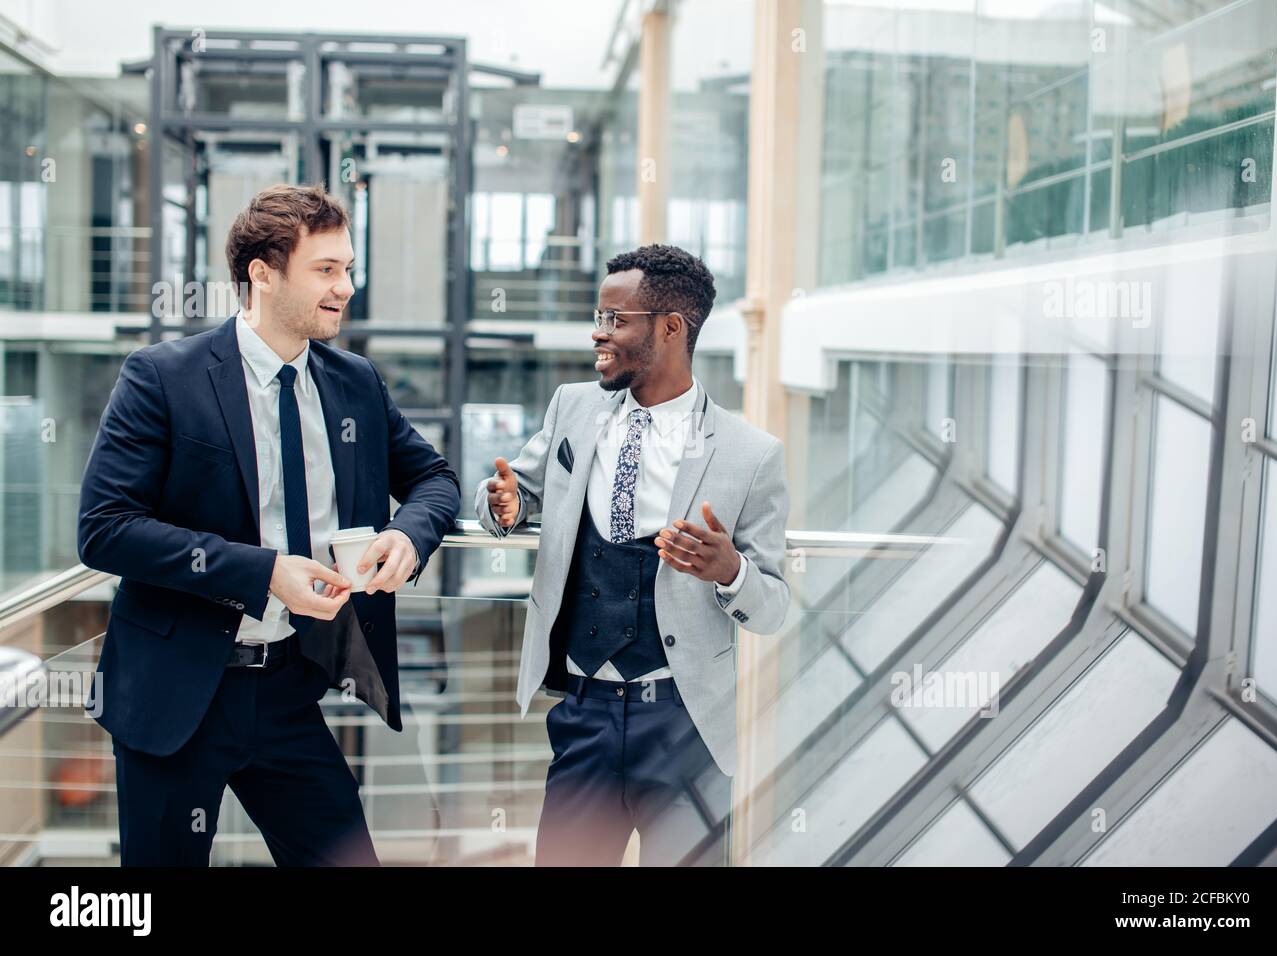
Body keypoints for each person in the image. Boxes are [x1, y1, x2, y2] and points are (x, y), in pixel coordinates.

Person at [77, 184, 460, 866]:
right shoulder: (163, 378)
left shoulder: (356, 384)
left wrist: (407, 536)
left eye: (347, 268)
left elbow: (435, 479)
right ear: (262, 273)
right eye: (326, 270)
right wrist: (265, 573)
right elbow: (106, 528)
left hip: (287, 684)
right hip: (175, 693)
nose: (345, 287)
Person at [475, 244, 790, 866]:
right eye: (600, 316)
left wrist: (730, 572)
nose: (599, 332)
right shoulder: (574, 407)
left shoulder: (751, 454)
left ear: (671, 327)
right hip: (584, 715)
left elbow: (773, 606)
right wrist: (503, 506)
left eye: (616, 320)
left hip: (686, 725)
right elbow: (518, 493)